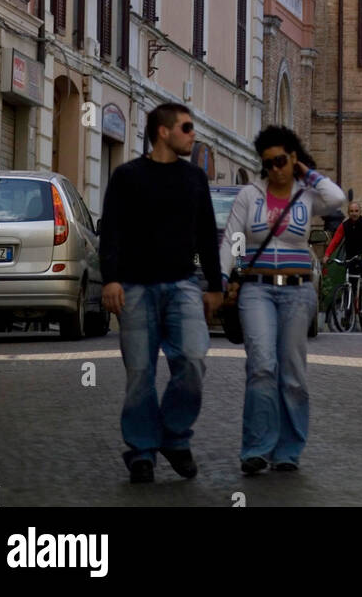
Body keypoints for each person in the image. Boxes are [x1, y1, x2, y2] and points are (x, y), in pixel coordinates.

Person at [99, 103, 223, 484]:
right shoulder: (126, 176)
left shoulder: (194, 179)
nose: (192, 134)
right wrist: (111, 279)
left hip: (183, 284)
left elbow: (206, 234)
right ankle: (141, 451)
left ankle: (172, 436)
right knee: (140, 374)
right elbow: (113, 231)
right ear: (163, 132)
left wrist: (215, 286)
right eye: (186, 127)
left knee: (192, 359)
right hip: (134, 288)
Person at [220, 125, 346, 474]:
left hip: (298, 291)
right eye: (268, 163)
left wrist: (308, 173)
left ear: (293, 158)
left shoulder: (307, 195)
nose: (274, 169)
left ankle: (289, 450)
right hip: (256, 290)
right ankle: (256, 449)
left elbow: (337, 199)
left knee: (292, 374)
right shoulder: (250, 195)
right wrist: (221, 278)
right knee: (261, 366)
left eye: (281, 160)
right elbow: (232, 240)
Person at [322, 201, 362, 300]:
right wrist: (327, 255)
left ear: (360, 212)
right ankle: (349, 307)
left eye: (356, 211)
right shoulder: (344, 226)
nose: (354, 213)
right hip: (351, 256)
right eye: (351, 211)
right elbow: (335, 241)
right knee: (350, 280)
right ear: (348, 212)